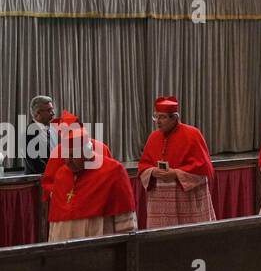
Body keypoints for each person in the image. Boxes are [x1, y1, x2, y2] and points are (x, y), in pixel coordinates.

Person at [42, 120, 136, 242]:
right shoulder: (61, 174)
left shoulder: (113, 171)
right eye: (65, 156)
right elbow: (56, 223)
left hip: (99, 243)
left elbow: (125, 219)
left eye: (72, 156)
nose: (67, 161)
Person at [138, 96, 216, 229]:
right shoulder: (153, 137)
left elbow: (203, 169)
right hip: (160, 203)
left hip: (186, 200)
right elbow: (143, 166)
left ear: (174, 118)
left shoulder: (192, 134)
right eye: (156, 117)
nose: (158, 121)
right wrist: (152, 171)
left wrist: (176, 174)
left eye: (162, 117)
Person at [23, 95, 56, 175]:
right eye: (49, 110)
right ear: (38, 113)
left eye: (52, 109)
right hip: (39, 183)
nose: (53, 113)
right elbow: (36, 164)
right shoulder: (29, 133)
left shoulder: (53, 130)